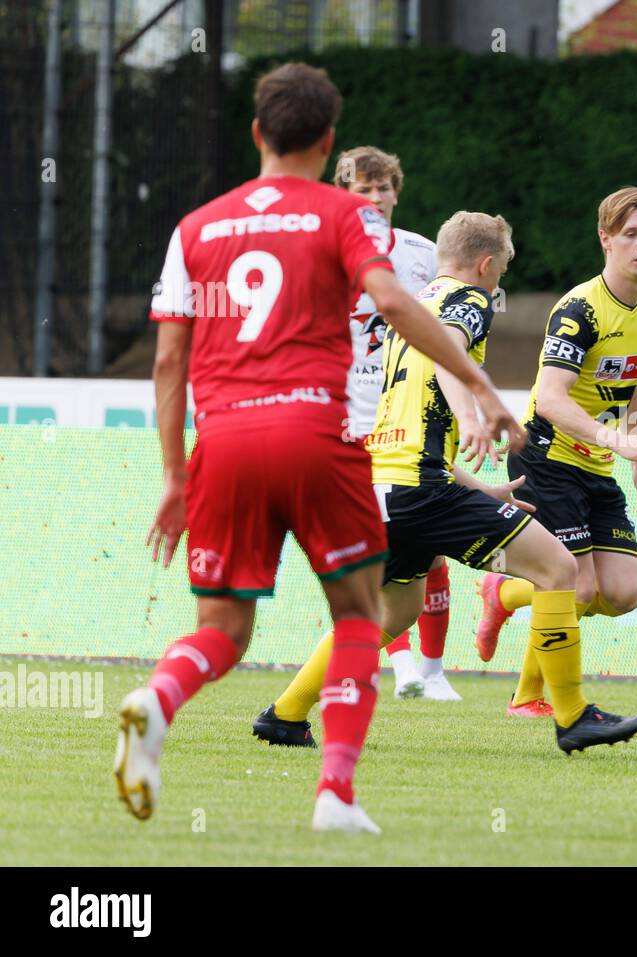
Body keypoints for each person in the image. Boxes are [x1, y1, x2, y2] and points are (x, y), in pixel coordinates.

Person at [115, 63, 520, 834]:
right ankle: (334, 790)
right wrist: (480, 382)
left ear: (258, 132)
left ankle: (157, 697)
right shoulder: (342, 218)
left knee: (222, 627)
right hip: (318, 434)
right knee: (361, 614)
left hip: (225, 443)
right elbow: (397, 302)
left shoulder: (195, 227)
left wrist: (175, 474)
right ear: (329, 141)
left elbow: (169, 361)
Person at [256, 211, 637, 754]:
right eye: (503, 270)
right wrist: (471, 416)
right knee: (559, 568)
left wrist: (478, 487)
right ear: (487, 265)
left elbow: (410, 422)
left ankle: (286, 713)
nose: (499, 282)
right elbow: (448, 350)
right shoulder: (469, 302)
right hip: (422, 490)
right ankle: (573, 716)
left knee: (393, 614)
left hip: (388, 485)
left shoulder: (413, 306)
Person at [472, 188, 637, 718]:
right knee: (576, 592)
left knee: (623, 595)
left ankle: (503, 593)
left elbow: (629, 385)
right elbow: (553, 400)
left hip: (598, 464)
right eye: (630, 234)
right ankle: (527, 698)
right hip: (546, 458)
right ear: (605, 239)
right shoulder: (579, 309)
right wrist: (620, 440)